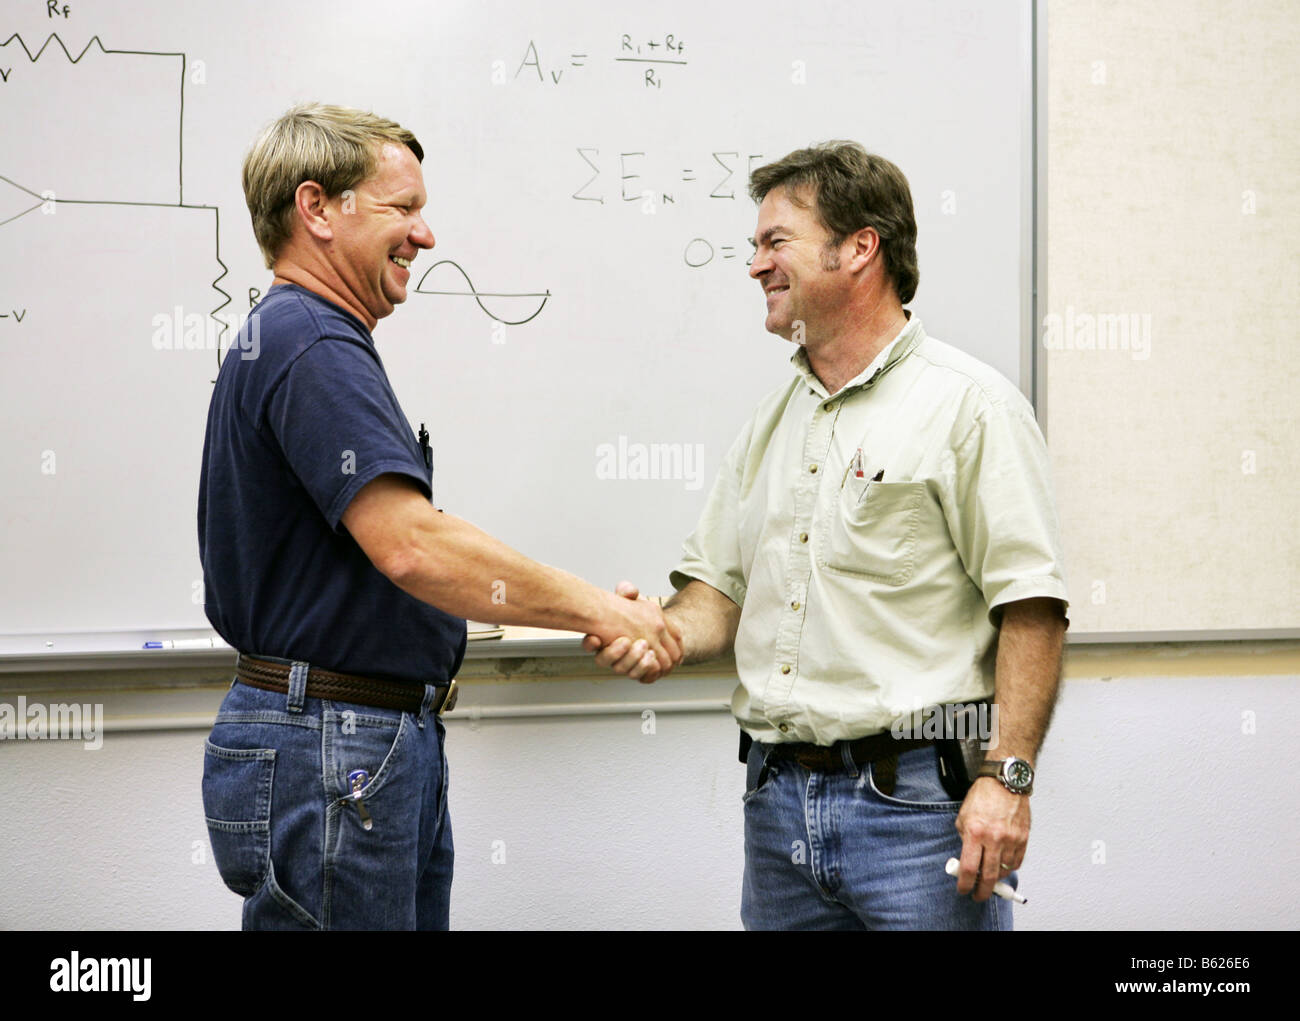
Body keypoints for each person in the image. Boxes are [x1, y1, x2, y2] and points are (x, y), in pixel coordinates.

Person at [198, 103, 681, 930]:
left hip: (351, 744)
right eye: (403, 209)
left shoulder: (299, 337)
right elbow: (415, 547)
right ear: (318, 209)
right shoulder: (311, 342)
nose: (425, 235)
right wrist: (600, 608)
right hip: (334, 746)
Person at [586, 141, 1068, 930]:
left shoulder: (972, 407)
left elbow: (1033, 609)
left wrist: (1008, 781)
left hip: (916, 813)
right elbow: (719, 596)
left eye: (775, 242)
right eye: (754, 247)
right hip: (777, 808)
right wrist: (658, 633)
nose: (755, 266)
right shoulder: (771, 424)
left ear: (859, 247)